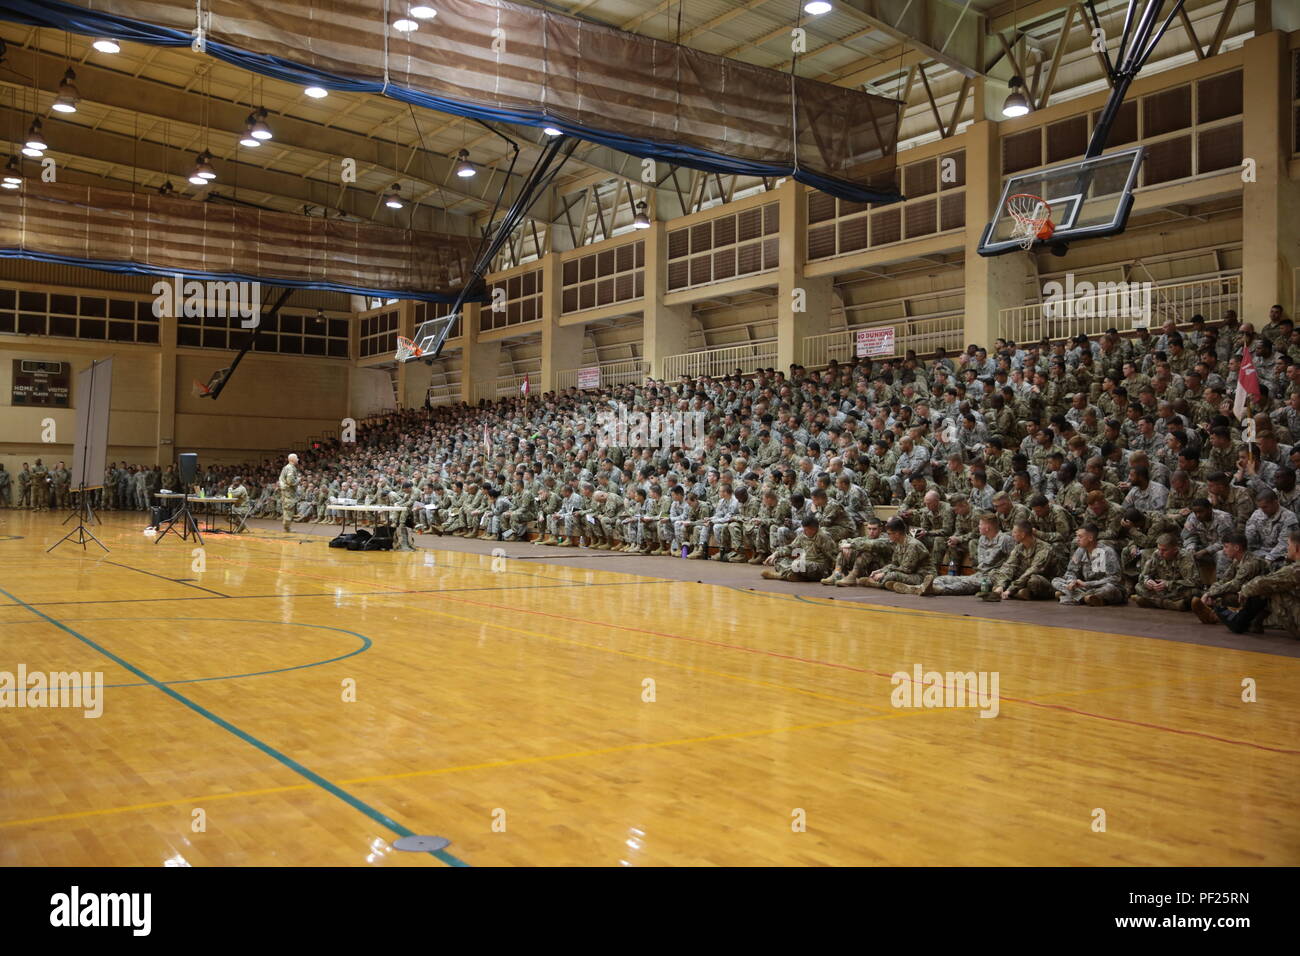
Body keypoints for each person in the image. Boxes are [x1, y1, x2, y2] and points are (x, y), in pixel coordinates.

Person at [1207, 528, 1300, 636]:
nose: (1287, 548)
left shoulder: (1295, 570)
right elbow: (1225, 579)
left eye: (1288, 545)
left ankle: (1237, 621)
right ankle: (1248, 621)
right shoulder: (1237, 561)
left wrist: (1244, 591)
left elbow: (1260, 583)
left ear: (1296, 548)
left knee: (1268, 589)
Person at [1053, 524, 1125, 606]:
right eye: (1077, 537)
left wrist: (1087, 584)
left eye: (1080, 537)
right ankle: (1086, 598)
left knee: (1110, 588)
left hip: (1102, 587)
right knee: (1056, 581)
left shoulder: (1107, 552)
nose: (1077, 540)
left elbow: (1114, 578)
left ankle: (1073, 597)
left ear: (1090, 538)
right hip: (1085, 588)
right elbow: (1070, 571)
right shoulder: (1079, 551)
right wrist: (1072, 582)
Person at [762, 516, 837, 582]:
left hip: (820, 566)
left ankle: (780, 576)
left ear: (814, 529)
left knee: (798, 565)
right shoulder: (803, 535)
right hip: (805, 563)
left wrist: (835, 572)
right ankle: (797, 576)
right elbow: (791, 548)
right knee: (779, 561)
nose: (804, 531)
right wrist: (775, 554)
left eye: (806, 529)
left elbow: (833, 556)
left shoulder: (824, 537)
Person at [278, 453, 299, 532]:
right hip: (289, 493)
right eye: (297, 458)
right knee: (289, 510)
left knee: (287, 509)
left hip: (286, 492)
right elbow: (290, 481)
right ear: (293, 459)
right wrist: (298, 480)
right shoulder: (290, 468)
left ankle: (287, 527)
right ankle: (287, 528)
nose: (298, 459)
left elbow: (280, 478)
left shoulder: (286, 467)